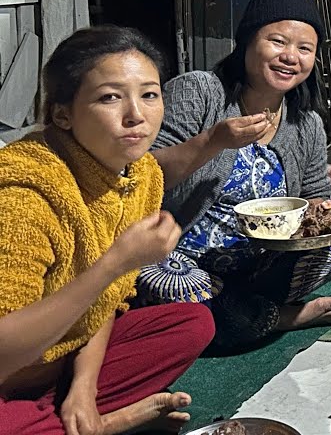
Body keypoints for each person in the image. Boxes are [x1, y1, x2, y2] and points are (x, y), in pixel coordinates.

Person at [0, 26, 214, 434]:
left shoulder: (143, 175)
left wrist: (84, 386)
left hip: (60, 366)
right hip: (8, 372)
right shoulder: (24, 193)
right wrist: (115, 262)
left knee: (192, 324)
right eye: (110, 97)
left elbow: (105, 304)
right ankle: (98, 423)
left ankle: (73, 415)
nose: (136, 114)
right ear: (62, 113)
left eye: (149, 94)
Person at [136, 0, 331, 349]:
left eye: (305, 48)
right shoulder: (201, 92)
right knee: (156, 276)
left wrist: (325, 214)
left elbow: (316, 196)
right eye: (277, 41)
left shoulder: (306, 123)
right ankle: (273, 316)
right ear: (247, 41)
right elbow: (143, 176)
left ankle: (247, 309)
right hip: (184, 261)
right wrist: (213, 141)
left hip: (261, 264)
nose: (291, 56)